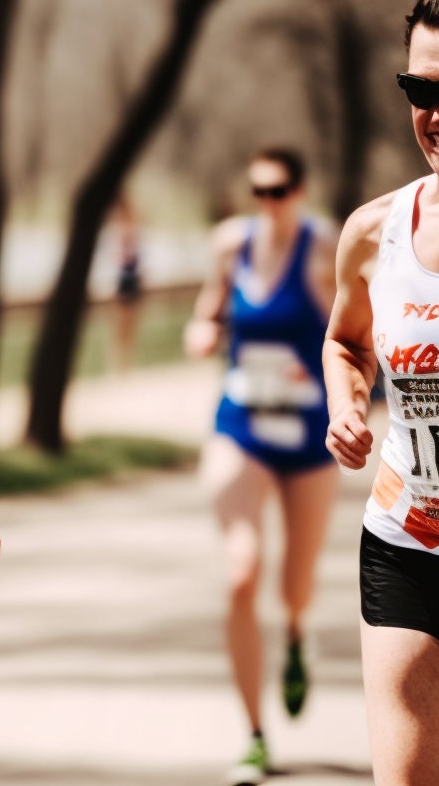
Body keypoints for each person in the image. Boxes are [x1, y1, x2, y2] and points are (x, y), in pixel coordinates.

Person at [183, 145, 339, 786]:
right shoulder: (230, 245)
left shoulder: (325, 248)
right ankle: (253, 734)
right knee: (242, 573)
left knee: (293, 586)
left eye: (278, 191)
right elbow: (209, 307)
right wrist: (202, 330)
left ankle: (297, 633)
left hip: (307, 432)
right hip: (242, 425)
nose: (266, 203)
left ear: (299, 192)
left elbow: (350, 330)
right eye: (257, 190)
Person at [325, 0, 439, 786]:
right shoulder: (374, 234)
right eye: (419, 86)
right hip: (408, 540)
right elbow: (344, 343)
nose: (435, 115)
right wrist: (345, 405)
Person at [109, 191, 144, 373]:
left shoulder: (132, 227)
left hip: (132, 277)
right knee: (120, 322)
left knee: (131, 322)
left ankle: (126, 362)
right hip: (124, 277)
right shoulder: (118, 229)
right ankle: (118, 363)